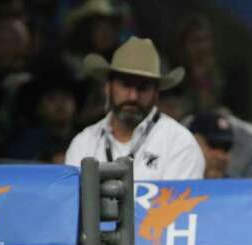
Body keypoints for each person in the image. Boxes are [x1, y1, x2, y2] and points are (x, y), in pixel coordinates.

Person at [64, 36, 205, 179]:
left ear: (156, 93)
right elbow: (71, 199)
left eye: (143, 88)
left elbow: (181, 200)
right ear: (107, 87)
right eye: (125, 85)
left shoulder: (180, 144)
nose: (133, 96)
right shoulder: (84, 143)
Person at [182, 111, 232, 178]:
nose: (221, 156)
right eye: (214, 145)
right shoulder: (170, 183)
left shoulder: (238, 187)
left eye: (226, 148)